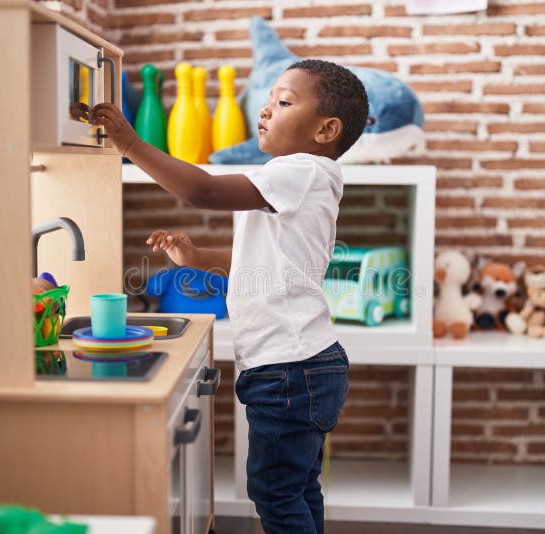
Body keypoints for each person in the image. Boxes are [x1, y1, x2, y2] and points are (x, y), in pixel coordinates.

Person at [92, 58, 369, 534]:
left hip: (289, 367)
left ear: (326, 130)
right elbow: (262, 261)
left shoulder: (297, 170)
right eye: (267, 102)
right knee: (298, 487)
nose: (265, 112)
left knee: (275, 493)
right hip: (304, 364)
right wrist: (198, 256)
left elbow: (201, 190)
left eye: (282, 102)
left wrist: (129, 144)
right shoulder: (301, 179)